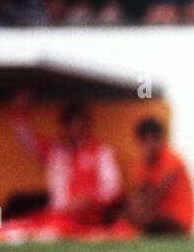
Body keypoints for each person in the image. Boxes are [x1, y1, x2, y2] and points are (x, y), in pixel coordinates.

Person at [9, 94, 123, 238]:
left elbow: (114, 191)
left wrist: (89, 200)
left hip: (90, 220)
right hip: (58, 216)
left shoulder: (102, 153)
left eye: (79, 125)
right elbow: (26, 140)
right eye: (70, 125)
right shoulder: (55, 152)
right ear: (64, 127)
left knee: (46, 234)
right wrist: (20, 110)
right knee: (16, 229)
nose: (74, 131)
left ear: (87, 126)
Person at [124, 117, 194, 235]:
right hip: (156, 218)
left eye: (153, 140)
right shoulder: (142, 166)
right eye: (146, 141)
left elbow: (157, 193)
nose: (150, 146)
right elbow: (139, 194)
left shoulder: (172, 159)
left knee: (139, 216)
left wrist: (136, 211)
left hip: (177, 221)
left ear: (161, 140)